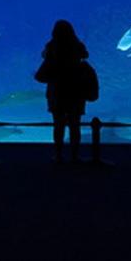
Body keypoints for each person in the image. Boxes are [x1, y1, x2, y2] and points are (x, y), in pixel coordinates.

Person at [34, 20, 92, 163]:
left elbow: (43, 64)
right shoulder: (77, 45)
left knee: (58, 125)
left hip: (57, 91)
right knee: (75, 125)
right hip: (76, 91)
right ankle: (74, 155)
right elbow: (86, 55)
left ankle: (58, 155)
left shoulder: (51, 47)